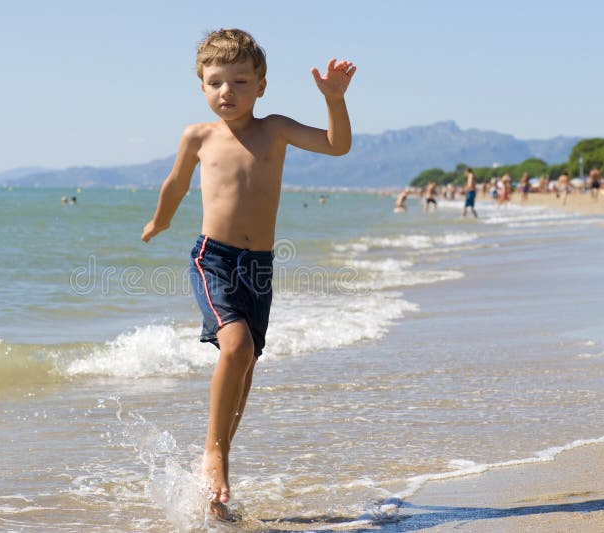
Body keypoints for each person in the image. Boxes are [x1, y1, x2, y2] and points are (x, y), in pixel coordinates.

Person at [140, 28, 354, 519]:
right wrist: (160, 221)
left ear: (261, 85)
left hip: (259, 266)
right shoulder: (198, 136)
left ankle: (217, 474)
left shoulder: (274, 128)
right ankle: (212, 452)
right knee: (235, 347)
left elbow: (336, 146)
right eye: (216, 82)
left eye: (239, 81)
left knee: (247, 362)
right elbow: (175, 184)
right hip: (211, 259)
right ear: (201, 86)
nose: (226, 92)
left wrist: (335, 101)